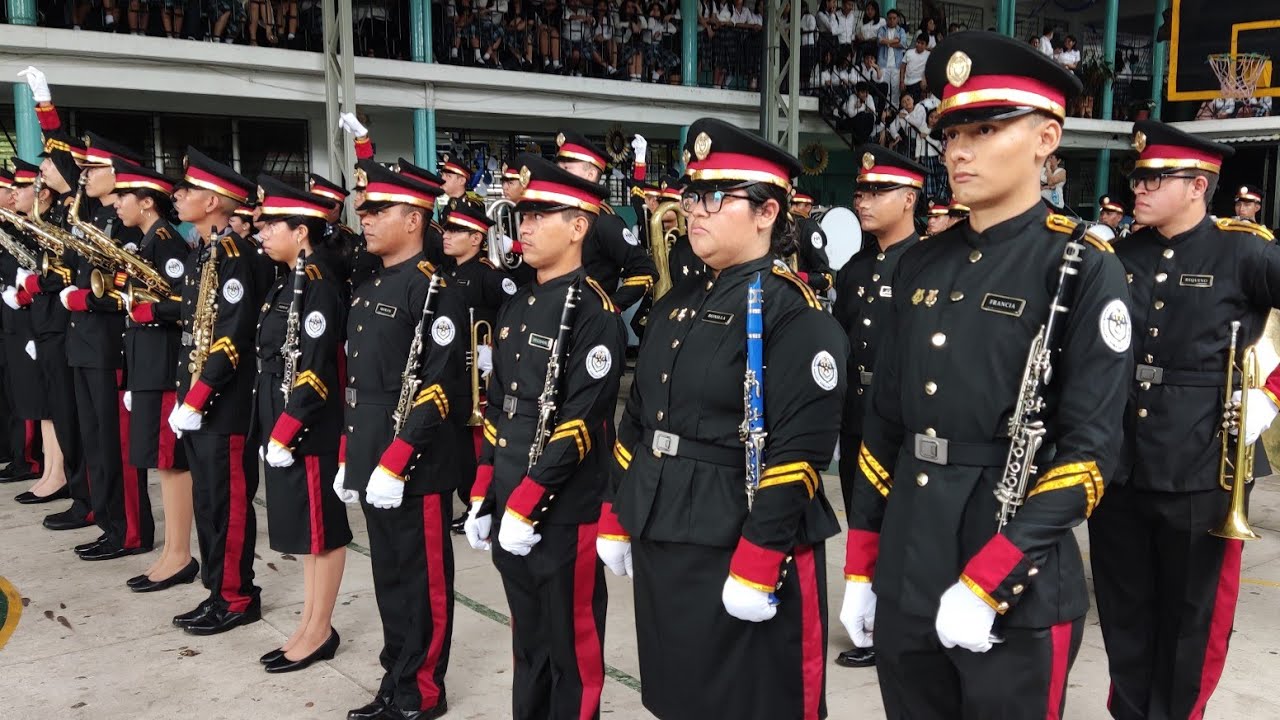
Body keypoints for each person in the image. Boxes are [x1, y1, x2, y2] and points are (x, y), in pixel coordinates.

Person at [843, 31, 1132, 718]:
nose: (960, 150)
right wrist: (863, 562)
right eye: (952, 134)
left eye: (986, 128)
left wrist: (990, 578)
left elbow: (1090, 456)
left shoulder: (1083, 267)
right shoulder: (921, 263)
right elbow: (885, 422)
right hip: (910, 554)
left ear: (1045, 138)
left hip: (1012, 565)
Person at [600, 117, 844, 719]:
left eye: (715, 197)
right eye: (691, 195)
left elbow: (801, 449)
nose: (694, 211)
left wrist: (761, 555)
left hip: (742, 533)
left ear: (767, 213)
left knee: (756, 699)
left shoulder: (790, 309)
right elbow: (637, 416)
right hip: (664, 526)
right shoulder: (678, 304)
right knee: (678, 694)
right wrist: (618, 508)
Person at [1091, 119, 1280, 720]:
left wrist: (1271, 393)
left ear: (1198, 185)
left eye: (1153, 178)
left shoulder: (1243, 249)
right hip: (1121, 463)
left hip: (1202, 467)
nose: (1137, 189)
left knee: (1190, 618)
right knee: (1124, 613)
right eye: (1135, 177)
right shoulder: (1117, 257)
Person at [463, 152, 626, 720]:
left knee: (572, 646)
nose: (523, 227)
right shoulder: (518, 302)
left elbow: (581, 422)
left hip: (562, 506)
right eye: (521, 215)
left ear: (579, 226)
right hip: (511, 492)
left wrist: (530, 501)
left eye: (539, 214)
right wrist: (485, 491)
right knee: (528, 641)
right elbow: (497, 406)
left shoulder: (593, 312)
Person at [340, 160, 467, 720]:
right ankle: (395, 677)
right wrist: (354, 457)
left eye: (377, 210)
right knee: (388, 576)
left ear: (414, 219)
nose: (363, 219)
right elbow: (360, 386)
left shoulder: (434, 289)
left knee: (423, 582)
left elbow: (437, 388)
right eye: (363, 210)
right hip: (372, 453)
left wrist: (395, 459)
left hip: (415, 460)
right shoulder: (370, 286)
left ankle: (422, 691)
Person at [167, 147, 274, 637]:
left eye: (187, 190)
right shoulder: (208, 252)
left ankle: (235, 596)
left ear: (213, 201)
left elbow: (231, 338)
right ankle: (217, 589)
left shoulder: (235, 256)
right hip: (199, 400)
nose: (179, 195)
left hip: (224, 404)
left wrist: (197, 397)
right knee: (209, 501)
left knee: (228, 503)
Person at [250, 175, 353, 673]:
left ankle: (320, 628)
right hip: (284, 420)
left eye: (272, 224)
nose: (262, 232)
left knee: (322, 530)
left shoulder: (318, 284)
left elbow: (314, 367)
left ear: (302, 231)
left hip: (308, 426)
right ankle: (310, 621)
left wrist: (288, 429)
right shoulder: (289, 279)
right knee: (304, 532)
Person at [833, 144, 925, 670]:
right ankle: (868, 616)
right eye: (861, 191)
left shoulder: (928, 264)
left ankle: (897, 623)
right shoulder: (856, 268)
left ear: (909, 197)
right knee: (862, 514)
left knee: (900, 523)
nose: (863, 200)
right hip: (857, 413)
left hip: (904, 419)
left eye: (877, 190)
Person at [60, 132, 155, 563]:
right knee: (96, 441)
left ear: (116, 173)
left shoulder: (123, 224)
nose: (83, 177)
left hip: (108, 347)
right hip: (84, 344)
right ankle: (109, 521)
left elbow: (129, 289)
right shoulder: (97, 217)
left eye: (91, 169)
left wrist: (86, 298)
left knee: (117, 447)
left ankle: (130, 530)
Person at [111, 161, 199, 591]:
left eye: (124, 196)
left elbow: (185, 303)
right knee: (158, 462)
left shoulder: (165, 241)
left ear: (147, 202)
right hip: (145, 363)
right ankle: (170, 551)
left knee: (171, 462)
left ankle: (180, 554)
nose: (117, 203)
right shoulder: (145, 241)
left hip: (164, 366)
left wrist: (151, 311)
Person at [16, 71, 93, 534]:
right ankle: (79, 493)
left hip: (72, 326)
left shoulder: (77, 207)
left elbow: (60, 147)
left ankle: (81, 495)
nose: (42, 170)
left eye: (48, 165)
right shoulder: (60, 211)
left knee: (76, 419)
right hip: (60, 326)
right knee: (66, 416)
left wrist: (44, 102)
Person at [439, 201, 516, 532]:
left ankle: (480, 505)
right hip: (453, 375)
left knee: (477, 447)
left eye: (456, 231)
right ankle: (469, 502)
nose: (447, 236)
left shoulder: (488, 275)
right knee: (456, 449)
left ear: (476, 238)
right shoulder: (444, 275)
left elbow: (514, 311)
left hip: (480, 378)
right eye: (447, 229)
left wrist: (494, 349)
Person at [553, 129, 659, 313]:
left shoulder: (604, 222)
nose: (560, 174)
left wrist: (608, 308)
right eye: (559, 168)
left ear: (591, 174)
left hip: (588, 327)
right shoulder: (555, 216)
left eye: (567, 168)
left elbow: (645, 270)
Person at [0, 166, 44, 489]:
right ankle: (18, 455)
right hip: (9, 317)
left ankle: (27, 457)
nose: (12, 194)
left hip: (26, 318)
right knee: (13, 391)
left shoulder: (22, 227)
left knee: (27, 395)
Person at [789, 192, 833, 294]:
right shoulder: (809, 226)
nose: (793, 208)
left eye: (795, 204)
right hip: (798, 296)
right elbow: (825, 277)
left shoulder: (776, 223)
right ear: (809, 207)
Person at [900, 33, 930, 102]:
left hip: (918, 83)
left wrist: (925, 80)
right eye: (918, 42)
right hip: (906, 83)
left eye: (922, 43)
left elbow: (930, 69)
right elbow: (902, 67)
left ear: (926, 45)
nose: (919, 45)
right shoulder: (909, 52)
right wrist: (902, 81)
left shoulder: (928, 55)